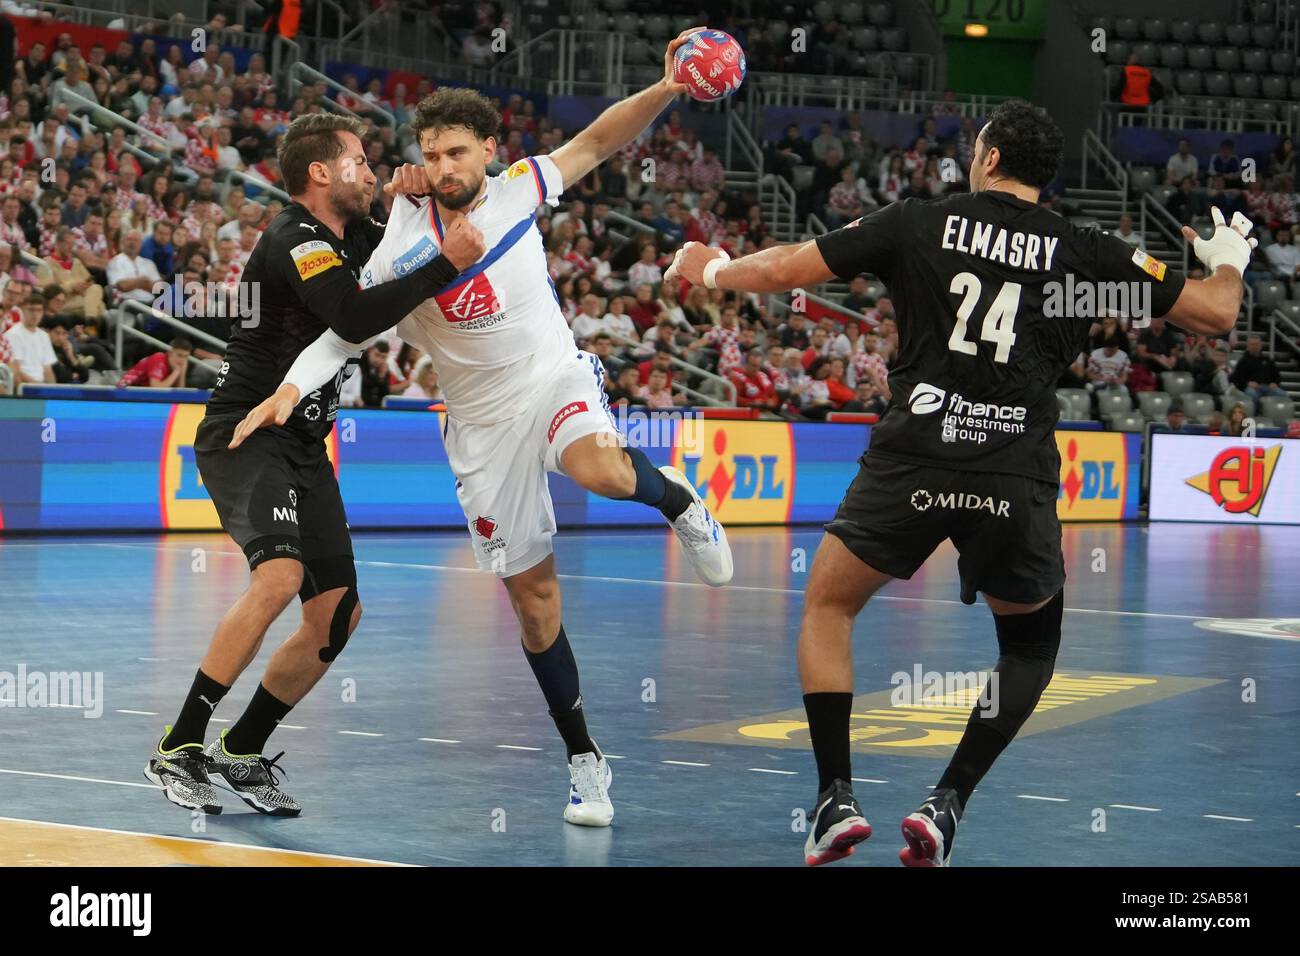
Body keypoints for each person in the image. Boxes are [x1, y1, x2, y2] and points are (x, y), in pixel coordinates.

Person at [665, 99, 1254, 867]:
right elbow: (1214, 315)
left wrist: (707, 264)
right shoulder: (1087, 252)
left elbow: (781, 270)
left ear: (988, 158)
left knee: (830, 606)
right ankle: (946, 804)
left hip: (914, 455)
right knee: (1031, 647)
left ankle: (835, 799)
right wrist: (1230, 255)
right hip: (1013, 472)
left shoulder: (919, 221)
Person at [230, 36, 733, 830]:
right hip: (478, 425)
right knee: (534, 606)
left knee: (599, 469)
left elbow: (600, 139)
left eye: (458, 151)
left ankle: (680, 503)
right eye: (430, 154)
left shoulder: (523, 185)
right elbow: (346, 335)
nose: (444, 167)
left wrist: (669, 86)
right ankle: (584, 760)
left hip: (550, 379)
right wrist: (289, 388)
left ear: (490, 151)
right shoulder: (402, 237)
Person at [144, 114, 485, 818]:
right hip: (248, 433)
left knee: (338, 616)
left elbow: (398, 254)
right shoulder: (294, 237)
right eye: (360, 162)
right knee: (280, 578)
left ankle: (243, 749)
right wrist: (444, 263)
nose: (371, 168)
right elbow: (354, 318)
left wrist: (413, 199)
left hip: (306, 444)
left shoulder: (349, 233)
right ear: (321, 174)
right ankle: (179, 746)